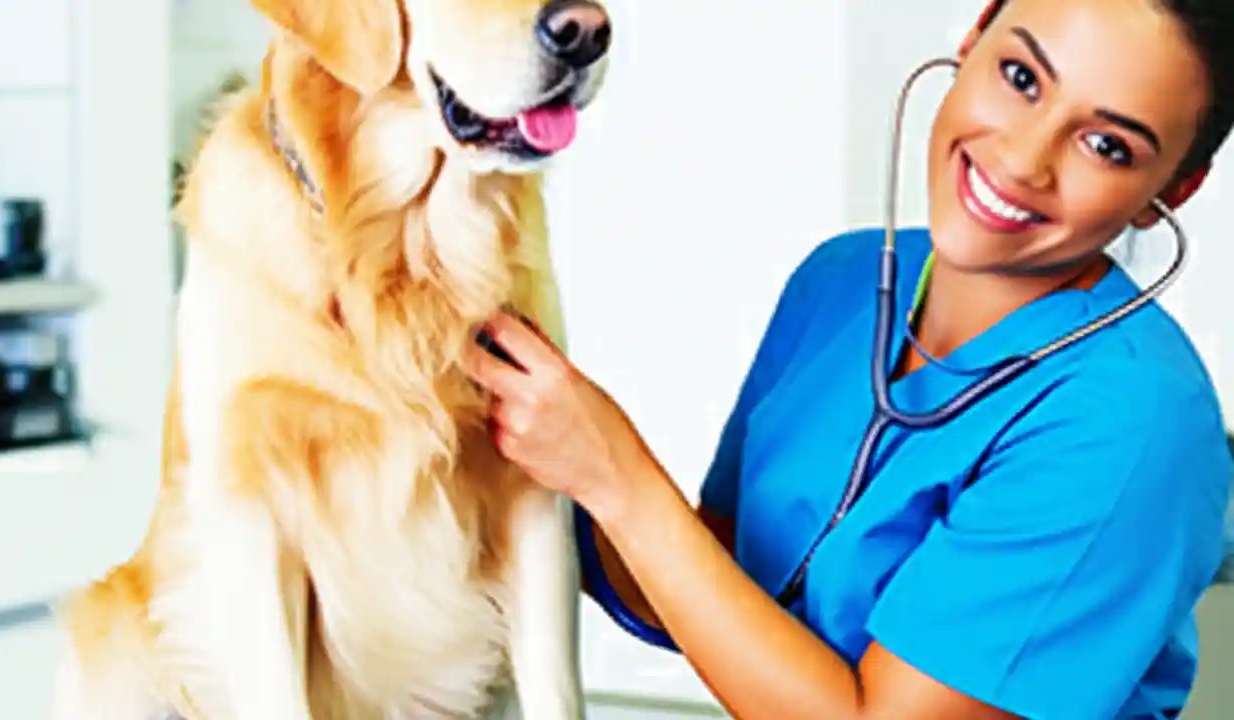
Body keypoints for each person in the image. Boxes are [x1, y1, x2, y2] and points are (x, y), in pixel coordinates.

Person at [462, 0, 1234, 717]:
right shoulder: (844, 282)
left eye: (1107, 146)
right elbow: (718, 583)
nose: (1025, 161)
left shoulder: (1132, 423)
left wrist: (616, 477)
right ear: (972, 39)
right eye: (1021, 77)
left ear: (1173, 188)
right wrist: (509, 455)